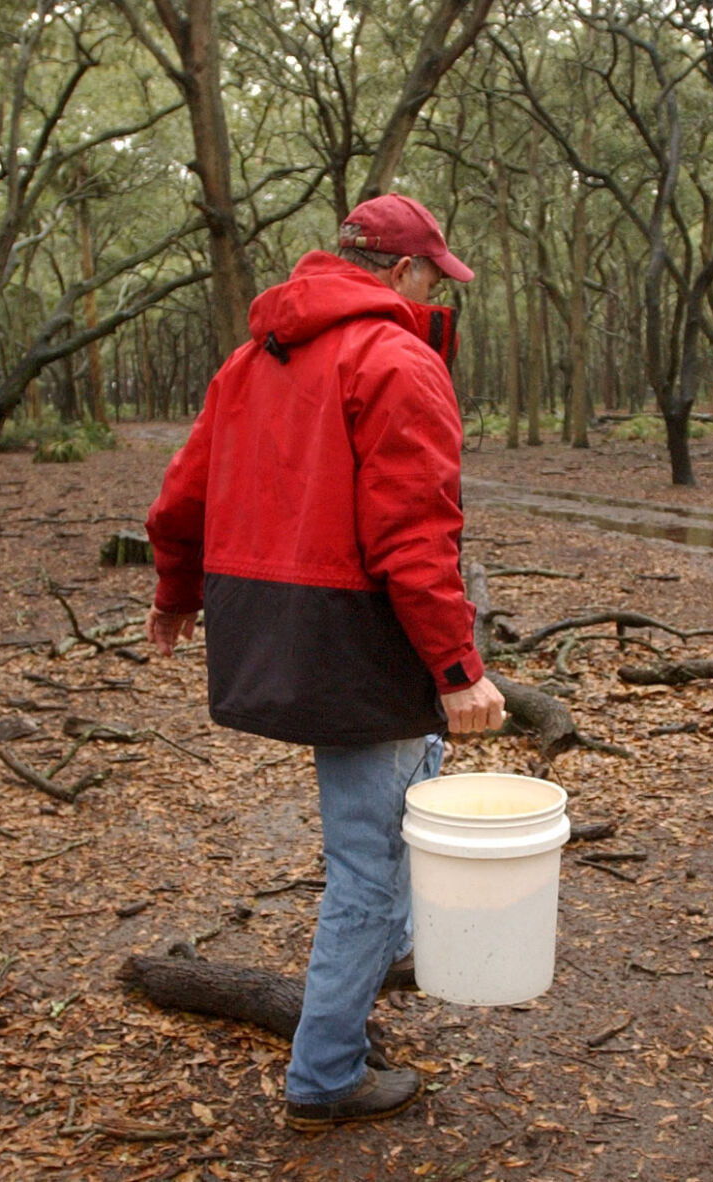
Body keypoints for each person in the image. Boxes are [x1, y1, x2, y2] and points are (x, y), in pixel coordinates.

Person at [142, 193, 506, 1130]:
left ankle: (393, 947)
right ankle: (326, 1078)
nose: (435, 294)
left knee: (402, 797)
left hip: (273, 628)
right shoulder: (395, 359)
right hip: (357, 638)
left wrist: (177, 594)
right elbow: (414, 536)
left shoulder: (250, 360)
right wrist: (458, 669)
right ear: (402, 273)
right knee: (366, 867)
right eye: (432, 277)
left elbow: (180, 500)